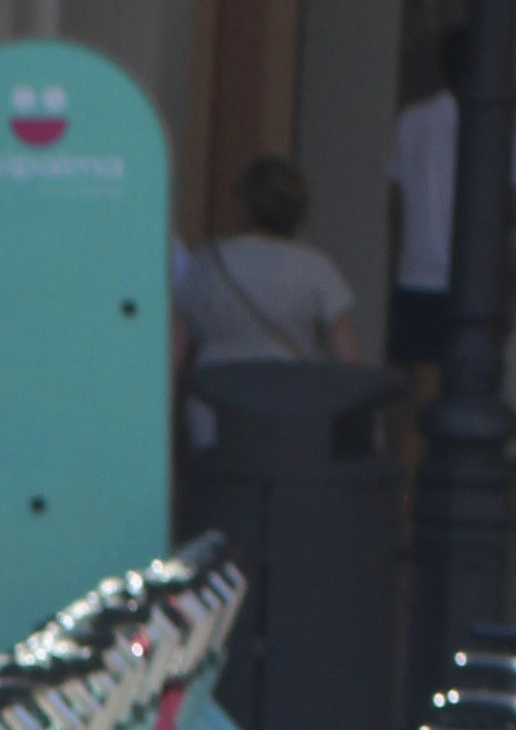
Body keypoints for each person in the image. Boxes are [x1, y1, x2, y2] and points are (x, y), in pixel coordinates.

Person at [170, 155, 355, 453]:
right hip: (290, 412)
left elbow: (174, 355)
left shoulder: (207, 263)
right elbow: (347, 359)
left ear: (244, 204)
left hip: (213, 414)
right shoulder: (316, 269)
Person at [387, 31, 467, 393]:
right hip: (468, 276)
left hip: (417, 270)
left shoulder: (412, 120)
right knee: (466, 386)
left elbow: (397, 201)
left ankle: (405, 450)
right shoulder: (496, 126)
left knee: (421, 394)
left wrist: (398, 260)